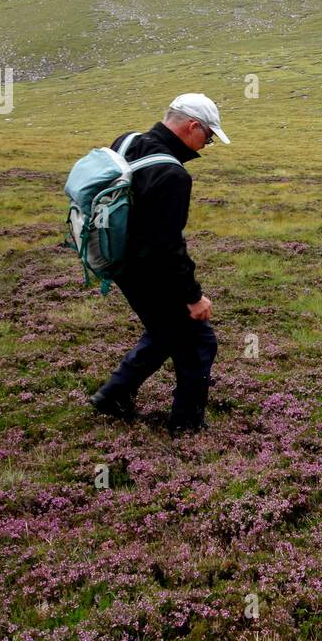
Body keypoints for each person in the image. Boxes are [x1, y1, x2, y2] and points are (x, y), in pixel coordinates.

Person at [89, 93, 230, 432]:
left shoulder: (127, 140)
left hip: (115, 260)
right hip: (147, 271)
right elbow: (167, 247)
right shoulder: (172, 174)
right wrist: (193, 296)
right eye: (208, 136)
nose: (206, 145)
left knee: (166, 332)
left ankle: (112, 396)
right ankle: (186, 424)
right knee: (198, 340)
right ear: (192, 126)